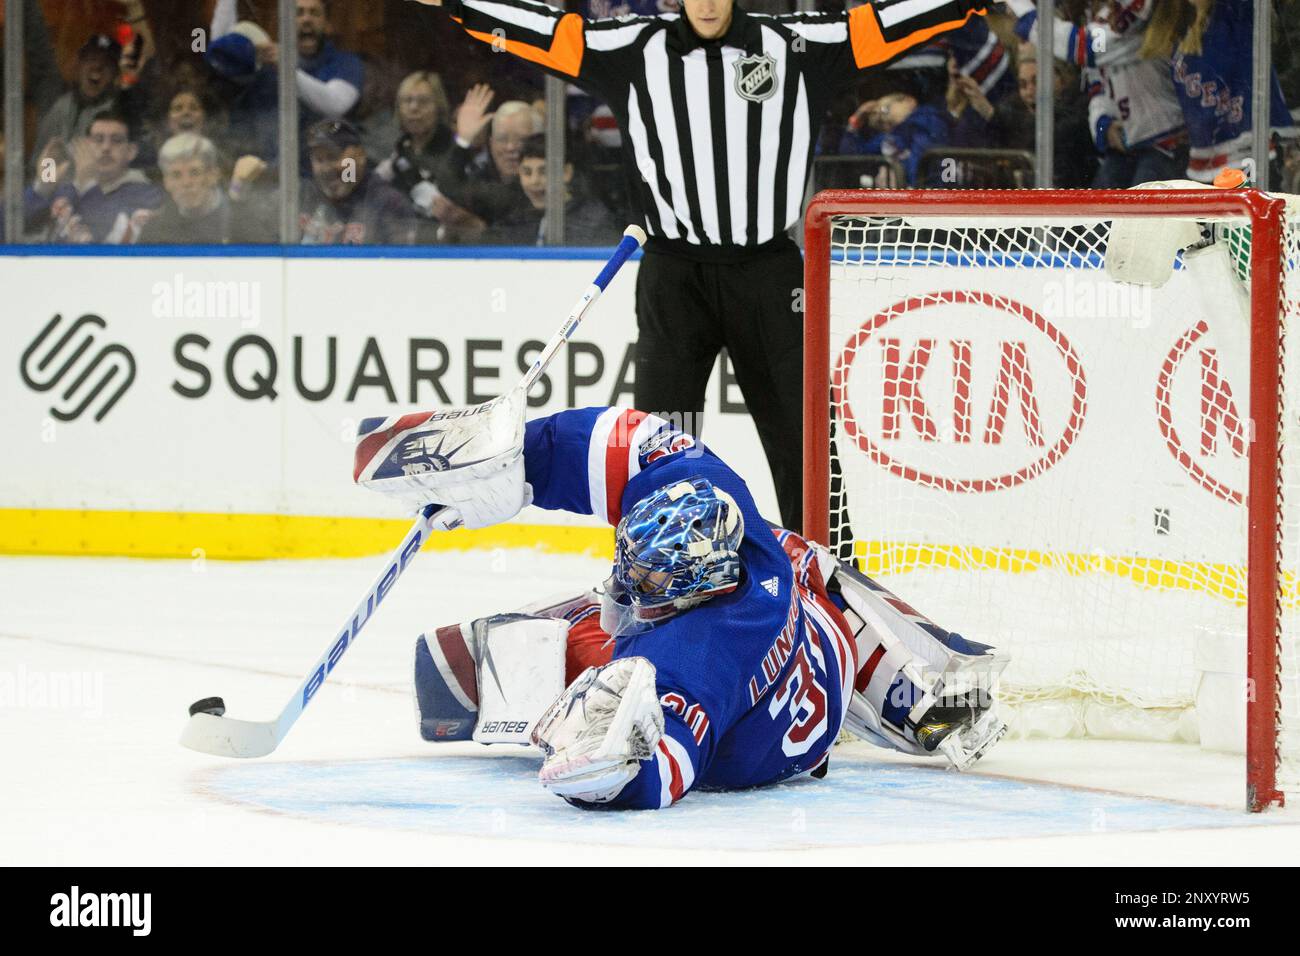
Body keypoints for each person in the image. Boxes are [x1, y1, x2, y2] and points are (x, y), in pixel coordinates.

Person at [407, 0, 988, 533]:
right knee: (664, 440)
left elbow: (889, 22)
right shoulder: (632, 50)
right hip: (674, 281)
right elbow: (541, 30)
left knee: (801, 443)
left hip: (769, 276)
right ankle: (662, 581)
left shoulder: (798, 46)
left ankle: (827, 585)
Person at [356, 403, 1008, 809]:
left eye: (642, 572)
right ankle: (936, 697)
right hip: (816, 645)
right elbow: (641, 442)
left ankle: (927, 697)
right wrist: (520, 460)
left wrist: (605, 769)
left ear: (686, 590)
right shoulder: (737, 524)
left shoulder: (693, 658)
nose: (626, 576)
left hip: (748, 728)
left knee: (466, 664)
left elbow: (664, 769)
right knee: (801, 551)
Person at [373, 71, 484, 244]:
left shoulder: (457, 152)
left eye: (423, 101)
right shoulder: (396, 153)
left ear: (439, 107)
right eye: (407, 101)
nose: (414, 108)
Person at [26, 111, 162, 244]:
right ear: (85, 145)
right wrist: (43, 186)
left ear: (131, 151)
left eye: (116, 141)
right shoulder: (67, 189)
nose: (106, 147)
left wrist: (88, 183)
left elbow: (105, 236)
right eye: (98, 139)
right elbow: (13, 227)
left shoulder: (148, 195)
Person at [435, 90, 545, 233]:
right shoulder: (480, 178)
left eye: (521, 139)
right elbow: (448, 183)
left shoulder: (546, 187)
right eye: (502, 139)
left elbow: (450, 183)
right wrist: (464, 139)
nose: (510, 147)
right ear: (491, 144)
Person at [136, 134, 274, 244]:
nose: (186, 183)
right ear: (166, 182)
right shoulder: (154, 230)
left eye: (194, 172)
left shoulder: (243, 217)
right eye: (176, 175)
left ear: (213, 175)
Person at [487, 134, 623, 245]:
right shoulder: (514, 219)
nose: (534, 181)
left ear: (567, 172)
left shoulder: (596, 221)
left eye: (544, 172)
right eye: (527, 172)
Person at [299, 119, 417, 245]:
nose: (326, 169)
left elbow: (399, 261)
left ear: (360, 156)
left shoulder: (389, 204)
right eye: (319, 160)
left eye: (333, 157)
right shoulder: (302, 196)